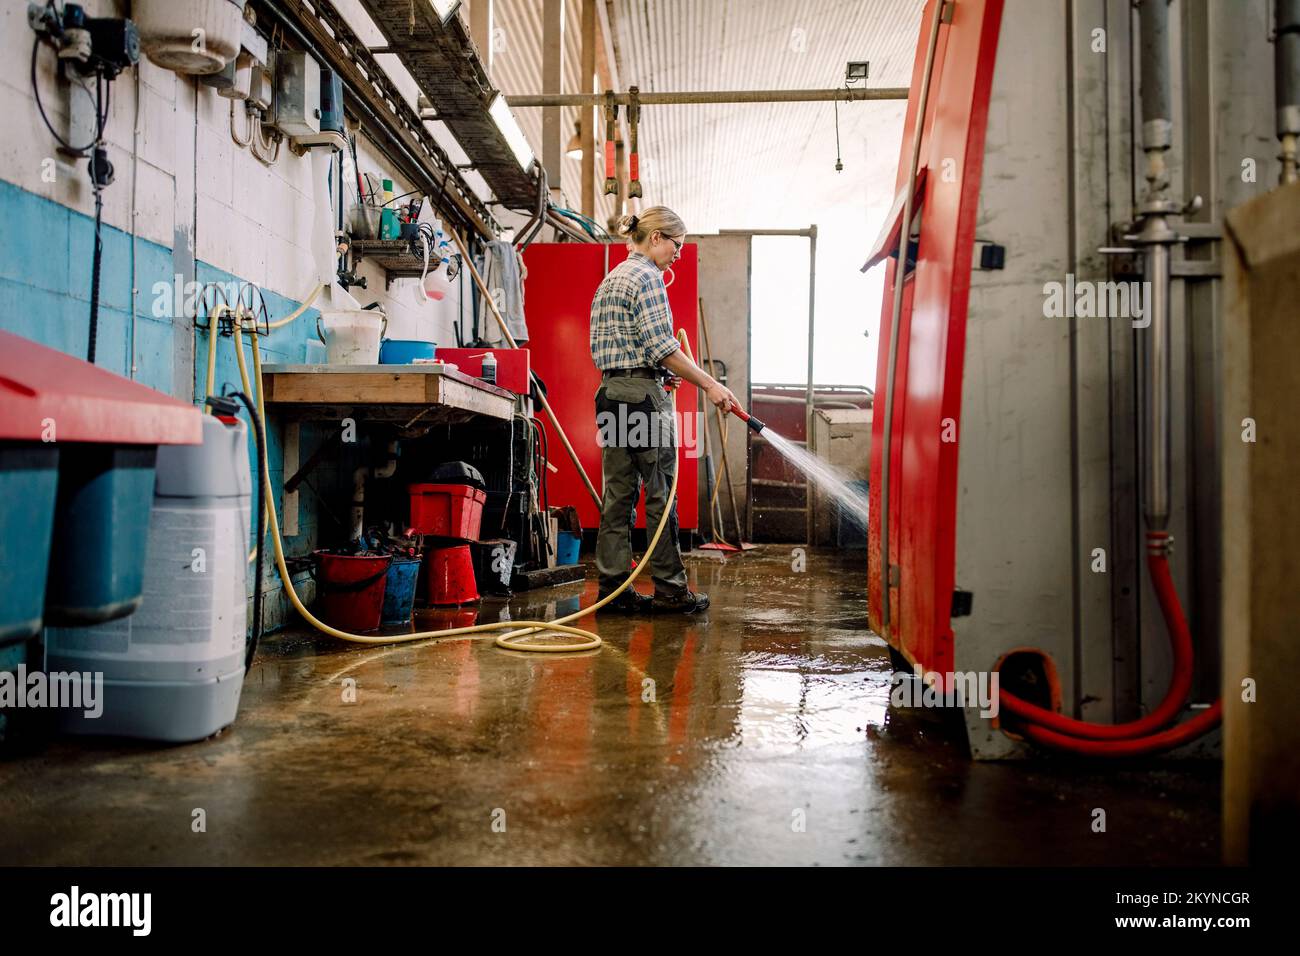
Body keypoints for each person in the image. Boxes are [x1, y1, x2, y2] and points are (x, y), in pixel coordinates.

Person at [589, 205, 739, 614]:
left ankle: (612, 592)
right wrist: (709, 384)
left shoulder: (611, 279)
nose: (678, 254)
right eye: (677, 245)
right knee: (660, 493)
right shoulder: (648, 277)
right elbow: (662, 347)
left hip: (611, 392)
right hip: (642, 398)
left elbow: (624, 349)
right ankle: (672, 591)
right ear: (656, 238)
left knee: (618, 495)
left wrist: (656, 371)